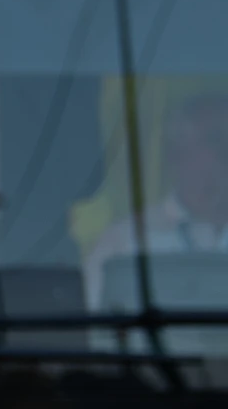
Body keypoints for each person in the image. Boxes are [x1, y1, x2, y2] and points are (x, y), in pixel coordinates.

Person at [85, 93, 228, 308]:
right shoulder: (124, 243)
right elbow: (93, 329)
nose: (224, 151)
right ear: (176, 154)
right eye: (215, 139)